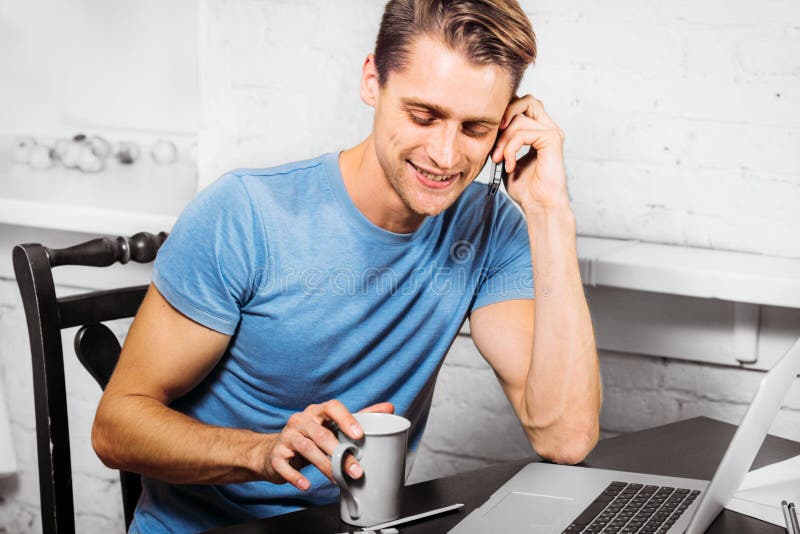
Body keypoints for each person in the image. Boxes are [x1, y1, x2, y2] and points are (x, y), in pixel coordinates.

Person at [92, 0, 602, 531]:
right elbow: (116, 426)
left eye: (475, 128)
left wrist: (549, 212)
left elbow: (563, 439)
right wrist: (265, 452)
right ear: (371, 82)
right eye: (423, 116)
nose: (446, 156)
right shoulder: (246, 214)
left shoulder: (490, 226)